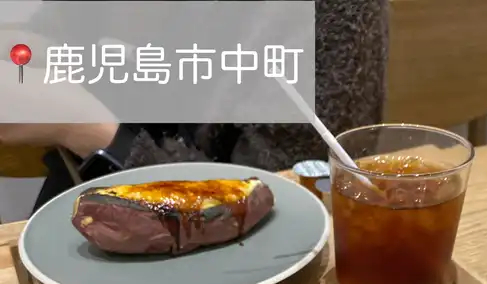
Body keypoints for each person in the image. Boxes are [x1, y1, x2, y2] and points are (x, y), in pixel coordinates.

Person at [0, 0, 389, 212]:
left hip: (222, 263)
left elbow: (276, 203)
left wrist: (86, 130)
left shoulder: (329, 13)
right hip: (86, 209)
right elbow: (58, 30)